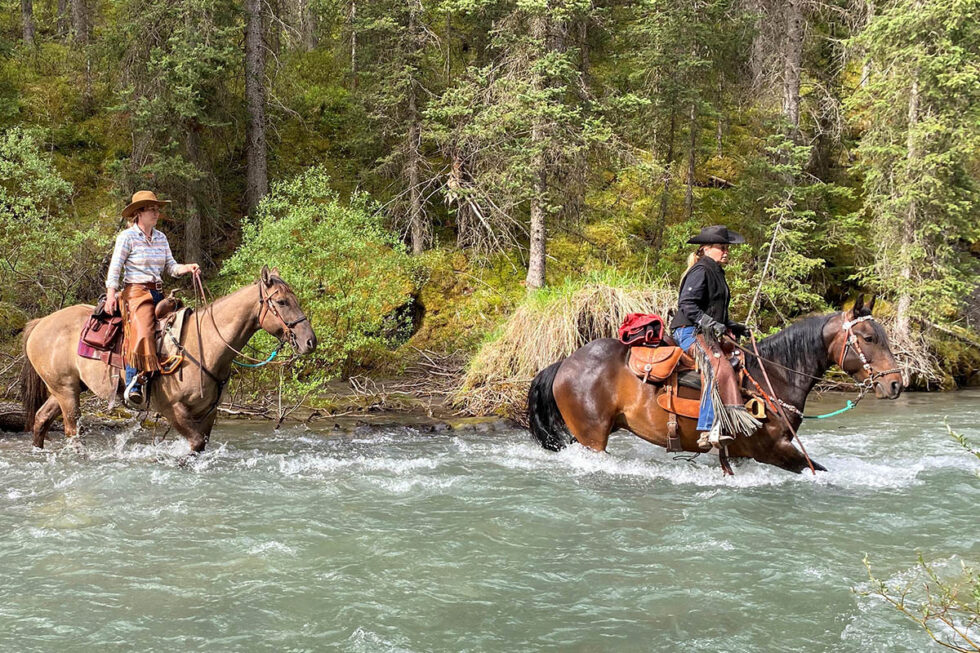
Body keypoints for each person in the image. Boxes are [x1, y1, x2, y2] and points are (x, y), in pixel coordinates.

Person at [105, 191, 200, 407]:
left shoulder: (160, 237)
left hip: (158, 293)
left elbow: (171, 267)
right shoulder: (127, 237)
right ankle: (133, 384)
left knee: (183, 323)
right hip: (135, 293)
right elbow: (115, 268)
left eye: (157, 209)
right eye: (151, 209)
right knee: (143, 330)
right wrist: (111, 294)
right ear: (139, 213)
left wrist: (187, 267)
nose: (156, 213)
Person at [669, 225, 759, 449]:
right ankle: (707, 429)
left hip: (704, 331)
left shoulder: (716, 271)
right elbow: (687, 305)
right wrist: (712, 324)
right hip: (688, 331)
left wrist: (733, 326)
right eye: (722, 247)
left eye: (727, 248)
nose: (726, 252)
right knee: (717, 367)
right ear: (707, 248)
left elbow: (713, 311)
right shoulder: (701, 270)